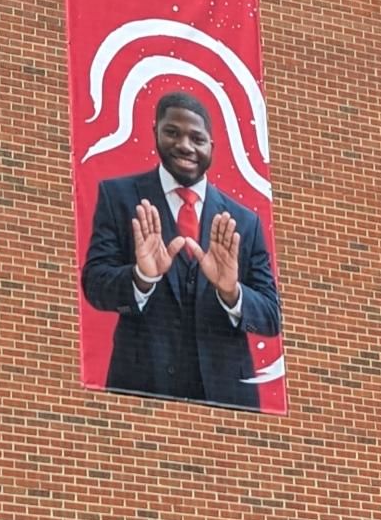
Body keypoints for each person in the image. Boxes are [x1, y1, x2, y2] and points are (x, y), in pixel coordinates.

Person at [81, 91, 281, 409]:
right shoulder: (118, 196)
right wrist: (141, 277)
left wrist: (232, 293)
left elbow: (271, 317)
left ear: (210, 147)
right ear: (156, 133)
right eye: (172, 132)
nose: (185, 145)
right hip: (141, 393)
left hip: (228, 405)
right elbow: (94, 285)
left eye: (196, 138)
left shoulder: (245, 222)